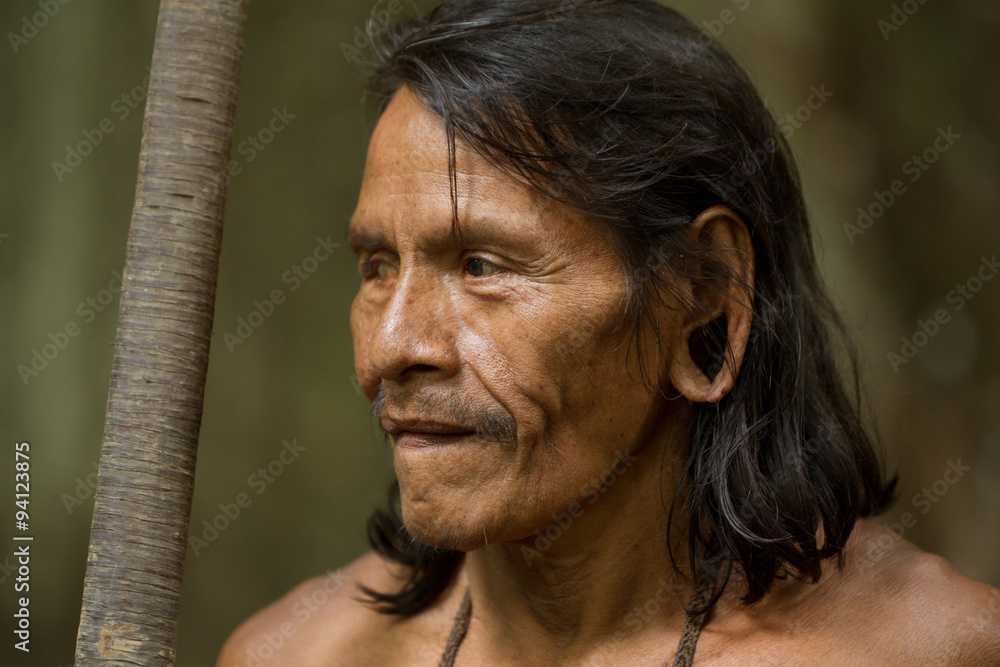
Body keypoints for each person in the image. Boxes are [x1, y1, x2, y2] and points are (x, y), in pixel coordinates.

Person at [218, 1, 1000, 664]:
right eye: (379, 265)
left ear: (706, 298)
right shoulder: (297, 652)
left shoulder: (932, 647)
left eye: (483, 265)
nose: (391, 347)